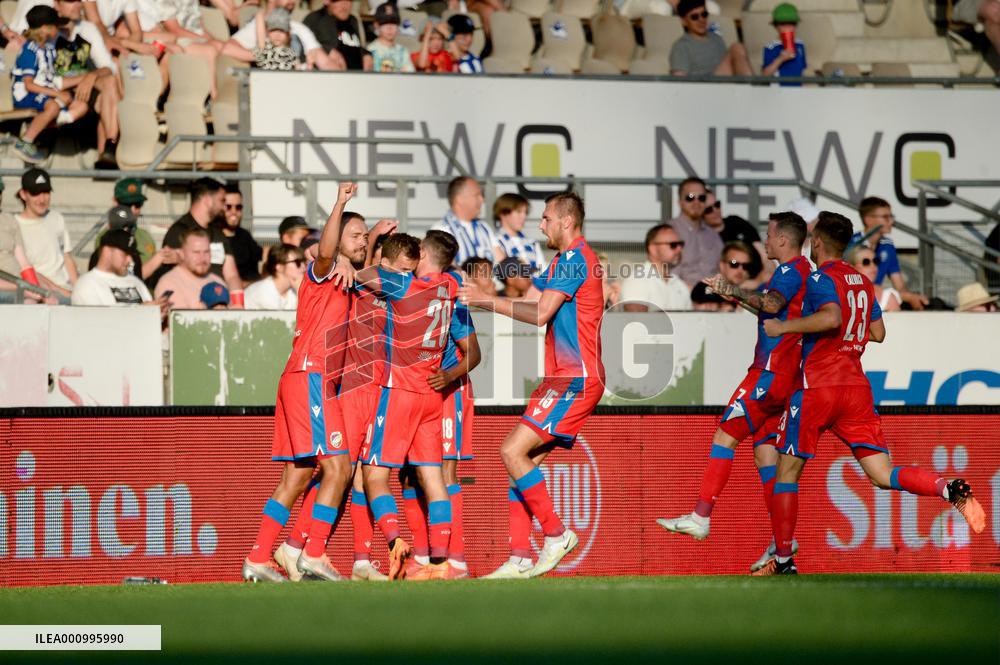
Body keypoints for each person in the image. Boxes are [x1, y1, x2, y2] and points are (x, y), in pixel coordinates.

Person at [758, 212, 986, 575]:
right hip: (856, 390)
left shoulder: (819, 278)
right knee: (882, 474)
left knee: (786, 473)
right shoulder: (863, 282)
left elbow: (831, 317)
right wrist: (849, 337)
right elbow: (878, 333)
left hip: (818, 387)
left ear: (817, 242)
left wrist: (785, 327)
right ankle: (947, 488)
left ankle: (783, 560)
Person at [459, 192, 605, 579]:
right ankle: (520, 556)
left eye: (546, 218)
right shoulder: (561, 260)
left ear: (566, 222)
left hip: (575, 377)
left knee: (511, 451)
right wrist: (483, 292)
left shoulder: (576, 259)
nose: (540, 225)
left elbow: (540, 314)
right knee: (520, 465)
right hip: (561, 377)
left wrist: (485, 300)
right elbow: (530, 299)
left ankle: (556, 534)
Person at [657, 212, 811, 574]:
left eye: (769, 235)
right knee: (765, 456)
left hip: (769, 373)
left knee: (725, 434)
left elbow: (772, 305)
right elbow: (771, 310)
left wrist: (734, 290)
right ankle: (782, 542)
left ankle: (700, 516)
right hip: (787, 377)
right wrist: (731, 293)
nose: (765, 241)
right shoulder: (802, 271)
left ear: (783, 240)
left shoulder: (789, 271)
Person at [242, 182, 357, 583]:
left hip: (303, 376)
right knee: (338, 467)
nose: (363, 241)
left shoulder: (348, 272)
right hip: (312, 375)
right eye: (356, 235)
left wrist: (365, 243)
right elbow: (322, 252)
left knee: (298, 475)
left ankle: (258, 557)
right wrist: (339, 203)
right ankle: (314, 552)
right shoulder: (325, 269)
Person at [352, 232, 461, 580]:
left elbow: (361, 274)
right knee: (433, 478)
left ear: (423, 255)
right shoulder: (449, 286)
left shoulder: (403, 285)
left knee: (374, 475)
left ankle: (395, 541)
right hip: (431, 394)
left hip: (400, 390)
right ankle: (440, 563)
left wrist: (379, 258)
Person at [400, 229, 482, 580]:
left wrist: (448, 375)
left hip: (449, 391)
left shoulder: (452, 296)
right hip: (418, 394)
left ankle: (455, 561)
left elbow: (474, 354)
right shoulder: (427, 287)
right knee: (410, 475)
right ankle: (422, 558)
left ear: (421, 251)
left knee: (445, 472)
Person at [11, 7, 89, 163]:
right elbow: (29, 85)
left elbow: (53, 80)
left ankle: (37, 124)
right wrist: (58, 94)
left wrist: (85, 78)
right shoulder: (30, 50)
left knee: (81, 106)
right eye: (55, 26)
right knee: (53, 106)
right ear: (44, 28)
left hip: (45, 93)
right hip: (25, 95)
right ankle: (25, 142)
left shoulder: (48, 49)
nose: (59, 29)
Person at [52, 0, 120, 167]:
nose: (78, 5)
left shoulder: (87, 28)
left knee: (110, 84)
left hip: (84, 90)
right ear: (56, 4)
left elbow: (109, 67)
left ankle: (108, 149)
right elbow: (47, 78)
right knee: (106, 98)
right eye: (70, 1)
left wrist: (91, 76)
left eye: (79, 0)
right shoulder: (48, 30)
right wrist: (83, 79)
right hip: (56, 90)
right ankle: (107, 152)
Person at [154, 177, 242, 304]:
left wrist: (239, 304)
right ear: (207, 200)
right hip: (192, 301)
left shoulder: (218, 234)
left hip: (220, 298)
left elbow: (231, 275)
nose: (224, 207)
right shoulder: (179, 232)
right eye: (221, 200)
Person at [851, 196, 928, 310]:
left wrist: (913, 298)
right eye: (885, 217)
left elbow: (900, 286)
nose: (891, 221)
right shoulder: (851, 245)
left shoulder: (888, 246)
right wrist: (908, 297)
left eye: (891, 216)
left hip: (876, 301)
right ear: (868, 219)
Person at [72, 229, 167, 319]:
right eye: (125, 254)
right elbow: (96, 324)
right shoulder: (86, 284)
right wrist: (141, 312)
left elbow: (148, 314)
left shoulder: (135, 282)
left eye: (131, 255)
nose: (130, 260)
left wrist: (158, 315)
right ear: (107, 252)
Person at [15, 167, 76, 300]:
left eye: (46, 192)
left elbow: (67, 258)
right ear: (23, 194)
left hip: (65, 292)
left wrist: (78, 291)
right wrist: (59, 292)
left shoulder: (57, 218)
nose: (42, 199)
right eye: (35, 193)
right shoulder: (14, 225)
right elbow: (23, 269)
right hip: (37, 294)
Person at [228, 0, 331, 71]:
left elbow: (298, 68)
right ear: (267, 32)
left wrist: (309, 64)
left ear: (288, 33)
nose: (277, 34)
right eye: (273, 30)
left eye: (281, 30)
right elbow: (230, 48)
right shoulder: (264, 51)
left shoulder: (291, 51)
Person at [432, 176, 505, 266]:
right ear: (459, 200)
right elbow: (447, 268)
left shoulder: (484, 227)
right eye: (477, 195)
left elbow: (502, 261)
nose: (482, 199)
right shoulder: (441, 230)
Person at [0, 179, 51, 304]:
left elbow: (23, 263)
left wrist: (36, 290)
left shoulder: (9, 220)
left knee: (48, 300)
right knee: (29, 302)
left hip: (19, 284)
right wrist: (23, 289)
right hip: (8, 288)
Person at [620, 223, 691, 312]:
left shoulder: (680, 285)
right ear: (653, 249)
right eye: (673, 245)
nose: (679, 249)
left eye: (681, 244)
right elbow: (635, 319)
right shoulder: (637, 280)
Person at [669, 0, 751, 77]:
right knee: (736, 48)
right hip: (703, 85)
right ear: (684, 21)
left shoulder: (717, 39)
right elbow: (679, 80)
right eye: (694, 17)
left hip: (726, 83)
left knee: (737, 48)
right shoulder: (681, 46)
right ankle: (752, 85)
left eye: (704, 14)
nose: (701, 20)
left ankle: (751, 84)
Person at [703, 190, 769, 284]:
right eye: (708, 210)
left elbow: (766, 259)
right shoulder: (704, 238)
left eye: (717, 205)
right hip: (730, 287)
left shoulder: (736, 222)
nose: (715, 211)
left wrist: (758, 281)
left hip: (760, 282)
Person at [153, 228, 226, 310]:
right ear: (182, 254)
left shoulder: (218, 281)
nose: (202, 258)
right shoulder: (169, 283)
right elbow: (179, 317)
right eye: (196, 252)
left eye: (206, 252)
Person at [671, 177, 724, 289]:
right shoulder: (669, 231)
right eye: (690, 197)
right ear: (680, 202)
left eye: (701, 198)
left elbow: (724, 272)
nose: (696, 202)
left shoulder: (714, 236)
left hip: (713, 295)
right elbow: (666, 275)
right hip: (679, 295)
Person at [305, 0, 372, 71]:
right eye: (338, 1)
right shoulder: (315, 19)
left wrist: (365, 54)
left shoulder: (353, 20)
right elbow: (304, 44)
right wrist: (327, 50)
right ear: (326, 1)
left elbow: (354, 44)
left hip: (358, 73)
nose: (344, 5)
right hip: (330, 73)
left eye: (348, 0)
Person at [218, 184, 262, 286]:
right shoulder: (212, 237)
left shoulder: (244, 235)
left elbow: (261, 255)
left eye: (238, 207)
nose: (234, 212)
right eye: (228, 207)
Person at [690, 241, 755, 308]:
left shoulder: (751, 293)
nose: (740, 270)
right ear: (722, 265)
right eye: (734, 264)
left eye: (746, 266)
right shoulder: (705, 286)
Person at [244, 244, 304, 310]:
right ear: (279, 267)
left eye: (303, 261)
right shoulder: (265, 290)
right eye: (297, 262)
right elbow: (281, 317)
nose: (303, 266)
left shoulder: (292, 290)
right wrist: (300, 291)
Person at [494, 192, 544, 272]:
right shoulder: (494, 242)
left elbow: (542, 272)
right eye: (519, 212)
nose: (523, 216)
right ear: (503, 213)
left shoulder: (532, 243)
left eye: (525, 212)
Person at [761, 3, 807, 85]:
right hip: (780, 89)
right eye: (783, 24)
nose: (787, 27)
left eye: (791, 24)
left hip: (797, 90)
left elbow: (802, 71)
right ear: (776, 26)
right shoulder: (771, 47)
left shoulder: (800, 45)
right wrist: (781, 58)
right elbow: (765, 75)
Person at [849, 245, 900, 312]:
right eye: (866, 262)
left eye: (875, 261)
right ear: (852, 267)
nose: (873, 266)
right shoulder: (841, 295)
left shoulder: (888, 297)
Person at [368, 2, 414, 73]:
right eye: (384, 23)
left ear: (398, 26)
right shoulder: (370, 51)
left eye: (393, 23)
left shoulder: (403, 52)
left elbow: (410, 76)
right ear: (376, 25)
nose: (389, 27)